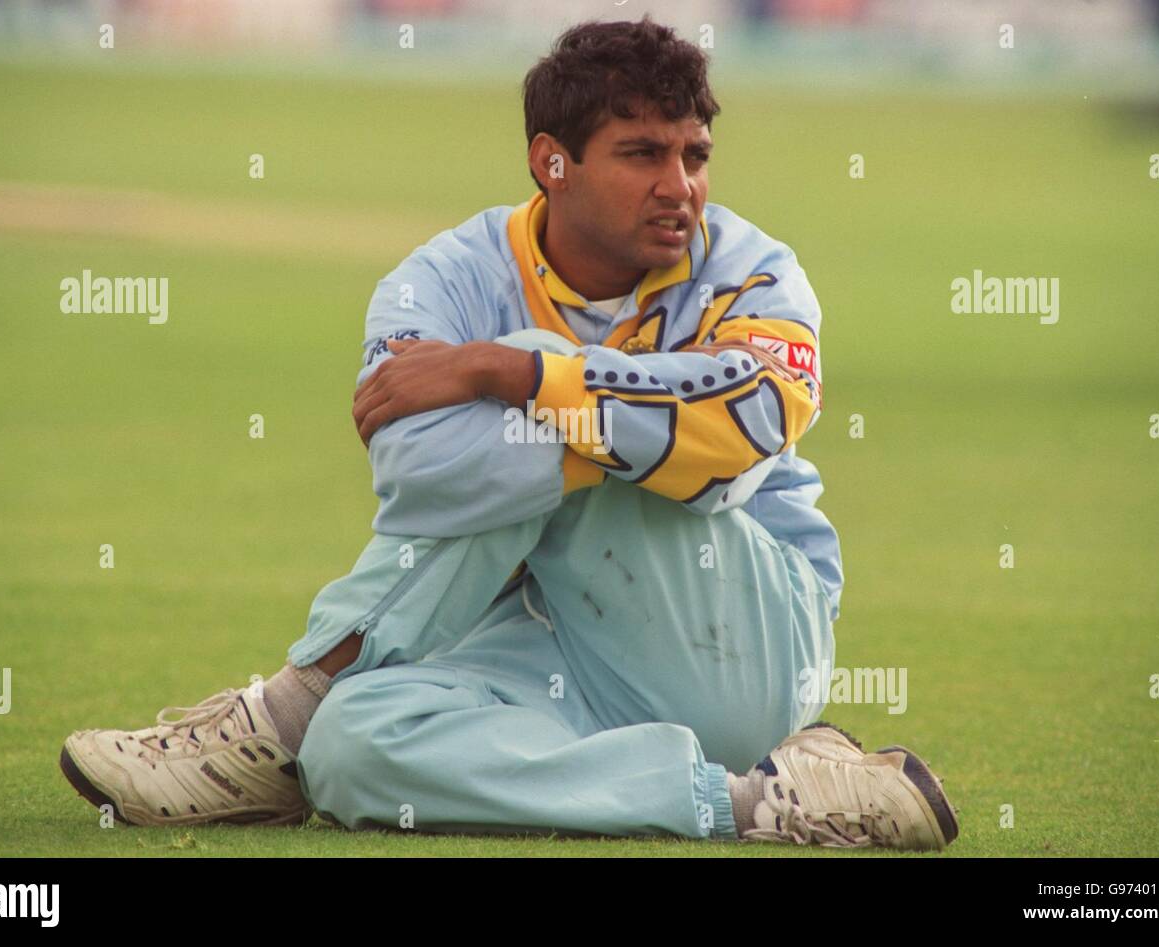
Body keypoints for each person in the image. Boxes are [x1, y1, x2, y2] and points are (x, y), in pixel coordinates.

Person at [60, 16, 957, 849]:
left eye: (694, 155)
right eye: (642, 153)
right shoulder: (441, 278)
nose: (679, 187)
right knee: (352, 747)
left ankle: (282, 709)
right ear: (551, 162)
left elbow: (745, 429)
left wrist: (513, 373)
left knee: (543, 393)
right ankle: (759, 801)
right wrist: (602, 431)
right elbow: (417, 473)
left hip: (744, 644)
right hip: (547, 642)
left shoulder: (753, 271)